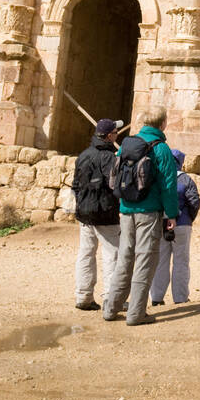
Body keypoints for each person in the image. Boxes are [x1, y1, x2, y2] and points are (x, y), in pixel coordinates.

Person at [103, 107, 179, 327]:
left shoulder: (127, 143)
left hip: (127, 209)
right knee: (145, 259)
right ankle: (136, 312)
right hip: (149, 212)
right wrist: (171, 214)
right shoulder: (162, 149)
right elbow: (168, 186)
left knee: (124, 258)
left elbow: (115, 175)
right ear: (162, 123)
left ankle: (111, 308)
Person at [71, 118, 121, 311]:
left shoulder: (84, 154)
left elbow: (76, 184)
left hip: (85, 212)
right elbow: (114, 184)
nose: (117, 135)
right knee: (112, 255)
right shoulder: (110, 158)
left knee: (86, 254)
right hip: (105, 213)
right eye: (115, 133)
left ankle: (83, 296)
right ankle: (111, 298)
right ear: (109, 136)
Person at [151, 149, 200, 306]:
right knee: (181, 261)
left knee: (160, 261)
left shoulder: (160, 178)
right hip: (182, 224)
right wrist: (189, 218)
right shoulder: (186, 180)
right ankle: (180, 297)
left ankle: (157, 297)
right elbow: (194, 202)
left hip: (162, 223)